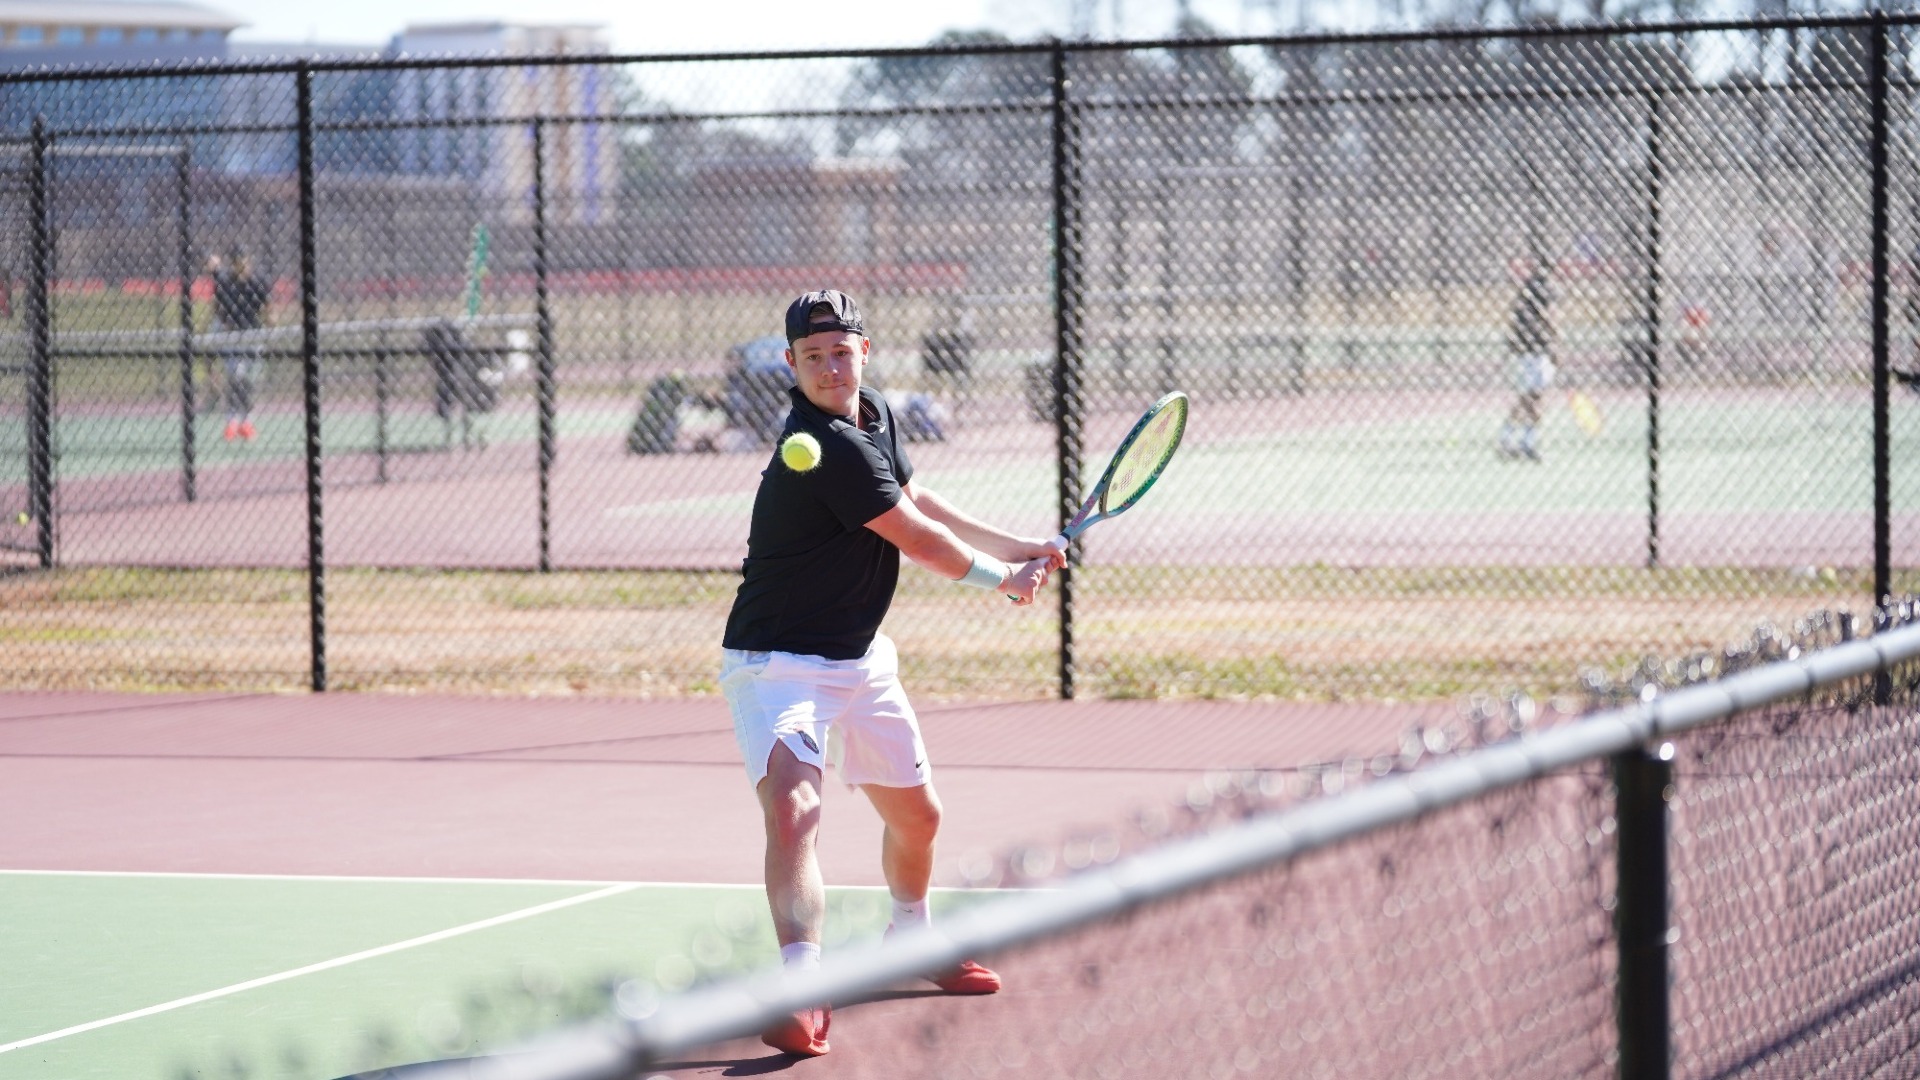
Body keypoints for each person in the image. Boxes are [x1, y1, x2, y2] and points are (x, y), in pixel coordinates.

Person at [720, 289, 1063, 1058]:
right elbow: (919, 541)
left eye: (842, 352)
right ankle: (800, 987)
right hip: (777, 663)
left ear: (864, 353)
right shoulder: (821, 445)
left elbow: (917, 497)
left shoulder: (870, 413)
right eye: (814, 358)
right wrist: (999, 580)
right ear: (791, 365)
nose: (831, 368)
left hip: (859, 655)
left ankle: (910, 940)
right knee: (793, 809)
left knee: (919, 819)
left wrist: (1017, 547)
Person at [210, 248, 270, 441]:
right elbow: (217, 306)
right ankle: (233, 422)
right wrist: (224, 325)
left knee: (248, 381)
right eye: (236, 262)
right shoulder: (226, 283)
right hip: (232, 336)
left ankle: (245, 421)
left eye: (243, 261)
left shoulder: (257, 283)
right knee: (236, 376)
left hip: (252, 335)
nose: (241, 265)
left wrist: (271, 322)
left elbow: (267, 308)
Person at [1498, 268, 1555, 462]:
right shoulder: (1524, 311)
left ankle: (1525, 442)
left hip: (1538, 358)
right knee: (1528, 400)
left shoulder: (1538, 311)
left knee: (1534, 400)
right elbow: (1517, 337)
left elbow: (1550, 334)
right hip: (1526, 359)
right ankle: (1513, 441)